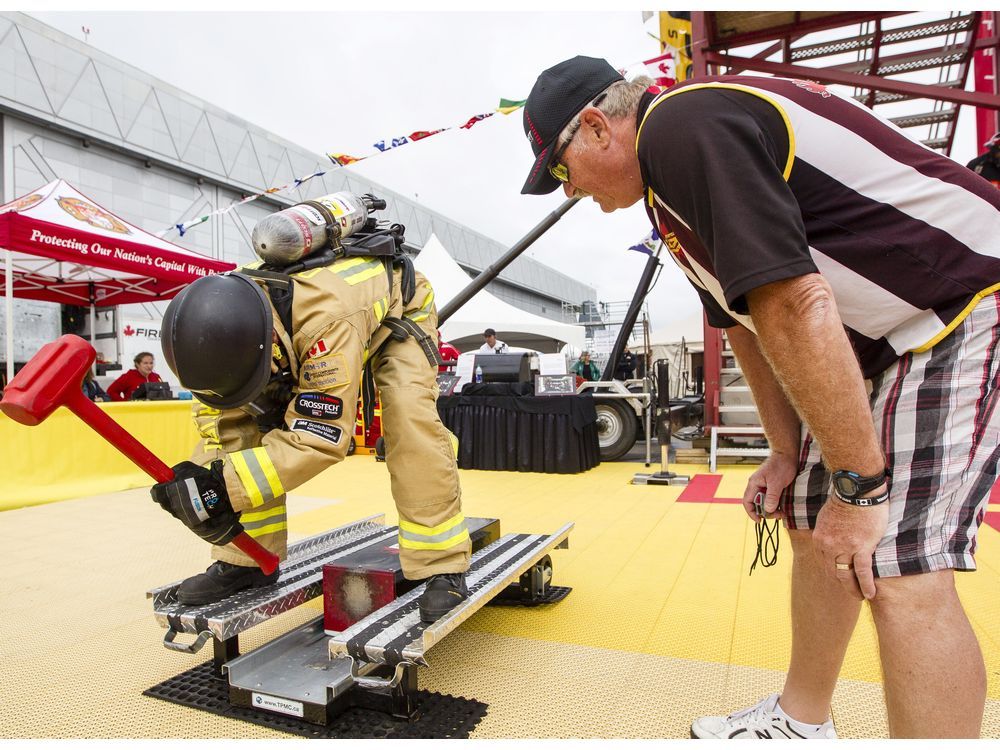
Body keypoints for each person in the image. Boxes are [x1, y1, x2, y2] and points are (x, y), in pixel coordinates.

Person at [521, 55, 1000, 738]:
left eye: (560, 172)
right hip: (895, 335)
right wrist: (784, 452)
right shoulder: (668, 200)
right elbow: (739, 325)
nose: (569, 193)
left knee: (898, 564)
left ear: (597, 127)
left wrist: (861, 488)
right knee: (808, 519)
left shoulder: (683, 125)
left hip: (964, 296)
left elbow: (796, 303)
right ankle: (802, 720)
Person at [149, 232, 471, 623]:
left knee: (410, 420)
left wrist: (225, 487)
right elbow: (220, 423)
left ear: (264, 345)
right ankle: (247, 562)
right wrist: (204, 481)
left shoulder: (324, 324)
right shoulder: (215, 327)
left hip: (397, 314)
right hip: (320, 321)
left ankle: (441, 562)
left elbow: (319, 436)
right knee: (240, 428)